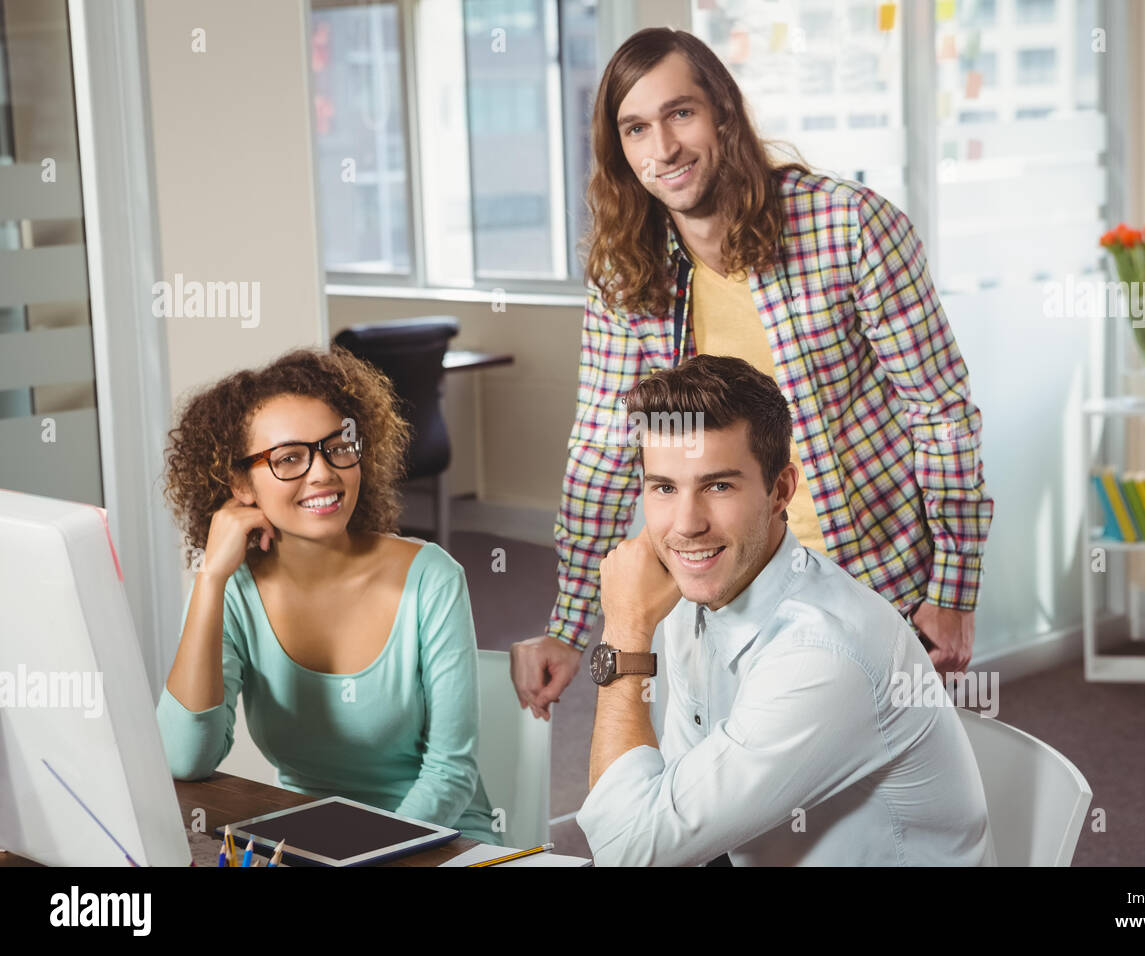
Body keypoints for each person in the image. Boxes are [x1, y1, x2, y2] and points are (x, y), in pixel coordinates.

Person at [511, 27, 993, 721]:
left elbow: (940, 414)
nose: (664, 148)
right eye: (637, 128)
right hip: (719, 582)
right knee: (728, 801)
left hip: (868, 578)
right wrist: (567, 623)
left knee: (876, 804)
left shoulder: (848, 226)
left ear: (724, 115)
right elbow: (602, 448)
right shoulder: (626, 271)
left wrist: (952, 590)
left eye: (681, 114)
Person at [576, 355, 995, 866]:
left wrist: (624, 634)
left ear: (780, 491)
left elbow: (630, 848)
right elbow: (666, 812)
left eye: (718, 486)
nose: (686, 525)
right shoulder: (692, 601)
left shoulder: (823, 654)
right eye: (664, 488)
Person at [155, 347, 499, 845]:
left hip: (439, 840)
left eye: (337, 446)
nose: (323, 473)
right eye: (289, 458)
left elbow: (450, 774)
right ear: (240, 484)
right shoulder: (231, 588)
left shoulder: (432, 578)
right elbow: (185, 759)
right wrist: (209, 579)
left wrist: (364, 857)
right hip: (310, 841)